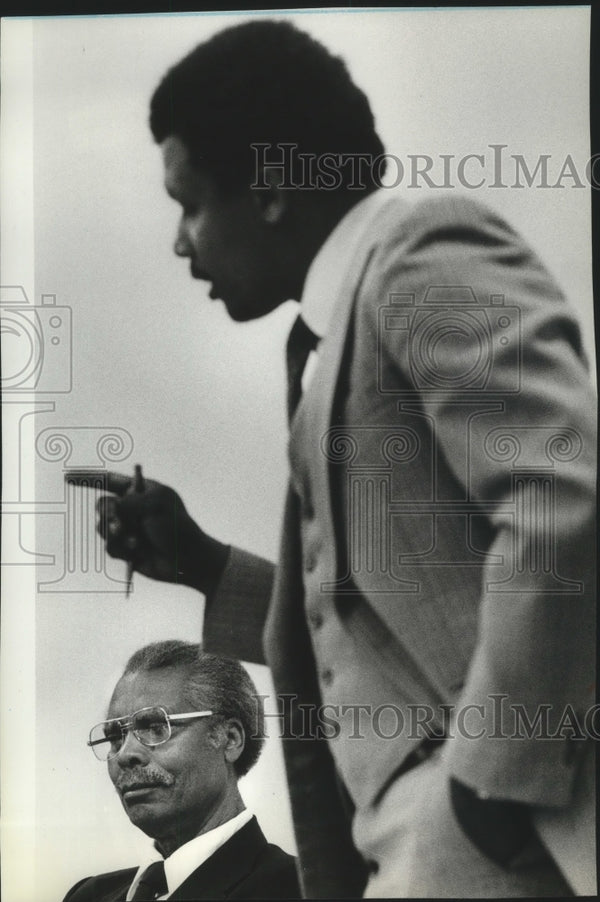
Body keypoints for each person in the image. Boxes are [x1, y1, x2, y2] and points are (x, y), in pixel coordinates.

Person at [67, 19, 596, 898]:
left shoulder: (422, 252)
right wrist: (203, 568)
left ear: (271, 188)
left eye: (189, 202)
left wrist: (483, 792)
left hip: (492, 850)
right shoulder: (330, 339)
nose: (180, 240)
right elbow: (366, 619)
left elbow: (560, 494)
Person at [62, 640, 300, 901]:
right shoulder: (89, 896)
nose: (125, 754)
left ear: (229, 739)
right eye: (115, 737)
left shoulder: (299, 889)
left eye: (156, 727)